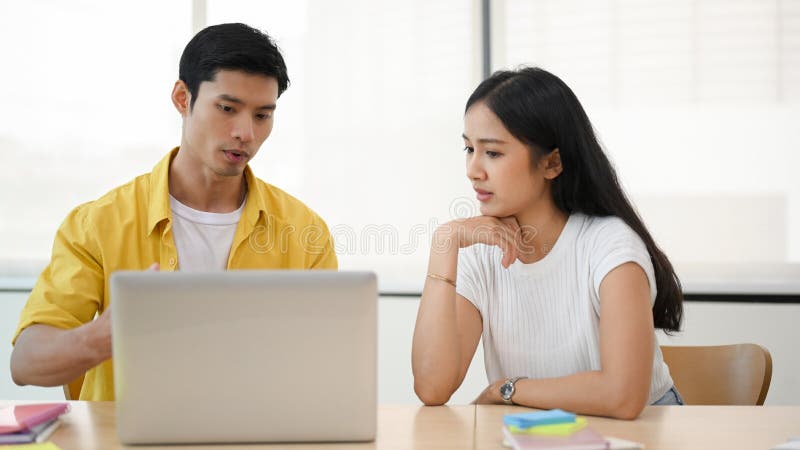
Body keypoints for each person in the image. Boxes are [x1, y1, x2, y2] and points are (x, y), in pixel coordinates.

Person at [10, 23, 337, 401]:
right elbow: (26, 363)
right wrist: (102, 338)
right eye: (227, 108)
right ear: (183, 98)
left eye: (263, 116)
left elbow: (326, 367)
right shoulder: (97, 224)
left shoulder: (304, 230)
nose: (245, 132)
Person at [411, 67, 684, 419]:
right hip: (542, 431)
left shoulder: (610, 245)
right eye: (468, 149)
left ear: (552, 163)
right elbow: (432, 387)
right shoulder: (480, 252)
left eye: (492, 153)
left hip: (640, 433)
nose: (473, 169)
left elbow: (622, 396)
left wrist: (505, 390)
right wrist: (444, 244)